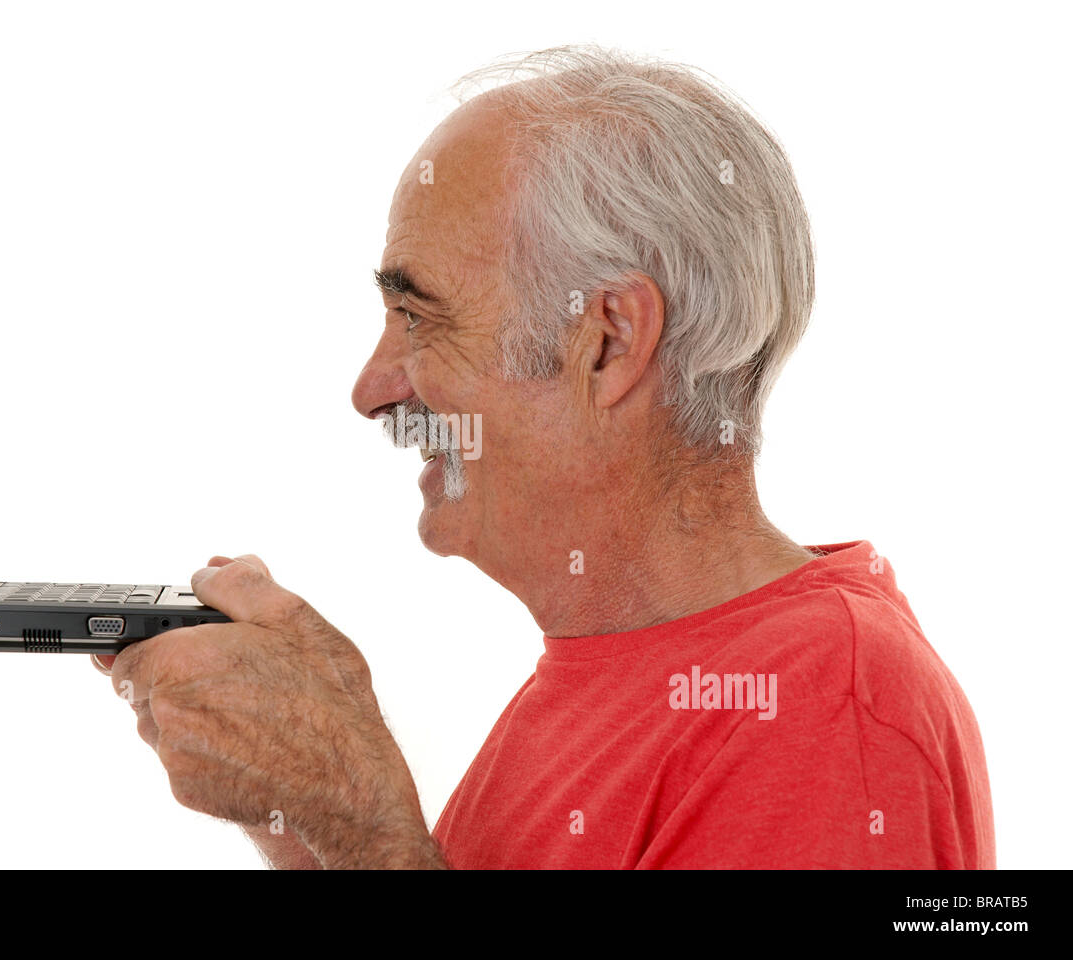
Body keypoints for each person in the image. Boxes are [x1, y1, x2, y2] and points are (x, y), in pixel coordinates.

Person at [92, 46, 994, 869]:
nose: (371, 388)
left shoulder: (821, 709)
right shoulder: (617, 672)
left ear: (607, 341)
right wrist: (297, 813)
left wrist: (355, 819)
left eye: (420, 316)